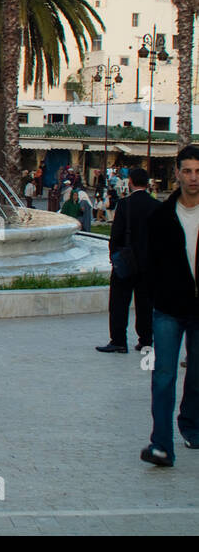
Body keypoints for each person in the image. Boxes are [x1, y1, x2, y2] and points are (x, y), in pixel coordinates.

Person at [140, 145, 199, 467]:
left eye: (198, 171)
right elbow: (150, 263)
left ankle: (191, 425)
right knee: (163, 375)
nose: (193, 178)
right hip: (168, 309)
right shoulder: (161, 216)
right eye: (187, 171)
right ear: (177, 173)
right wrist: (155, 300)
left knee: (197, 376)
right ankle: (161, 444)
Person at [99, 168, 159, 354]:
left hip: (126, 261)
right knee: (145, 304)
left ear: (130, 181)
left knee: (119, 302)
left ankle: (118, 340)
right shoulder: (156, 205)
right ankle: (146, 340)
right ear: (147, 183)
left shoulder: (125, 204)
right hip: (148, 263)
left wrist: (113, 255)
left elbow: (116, 233)